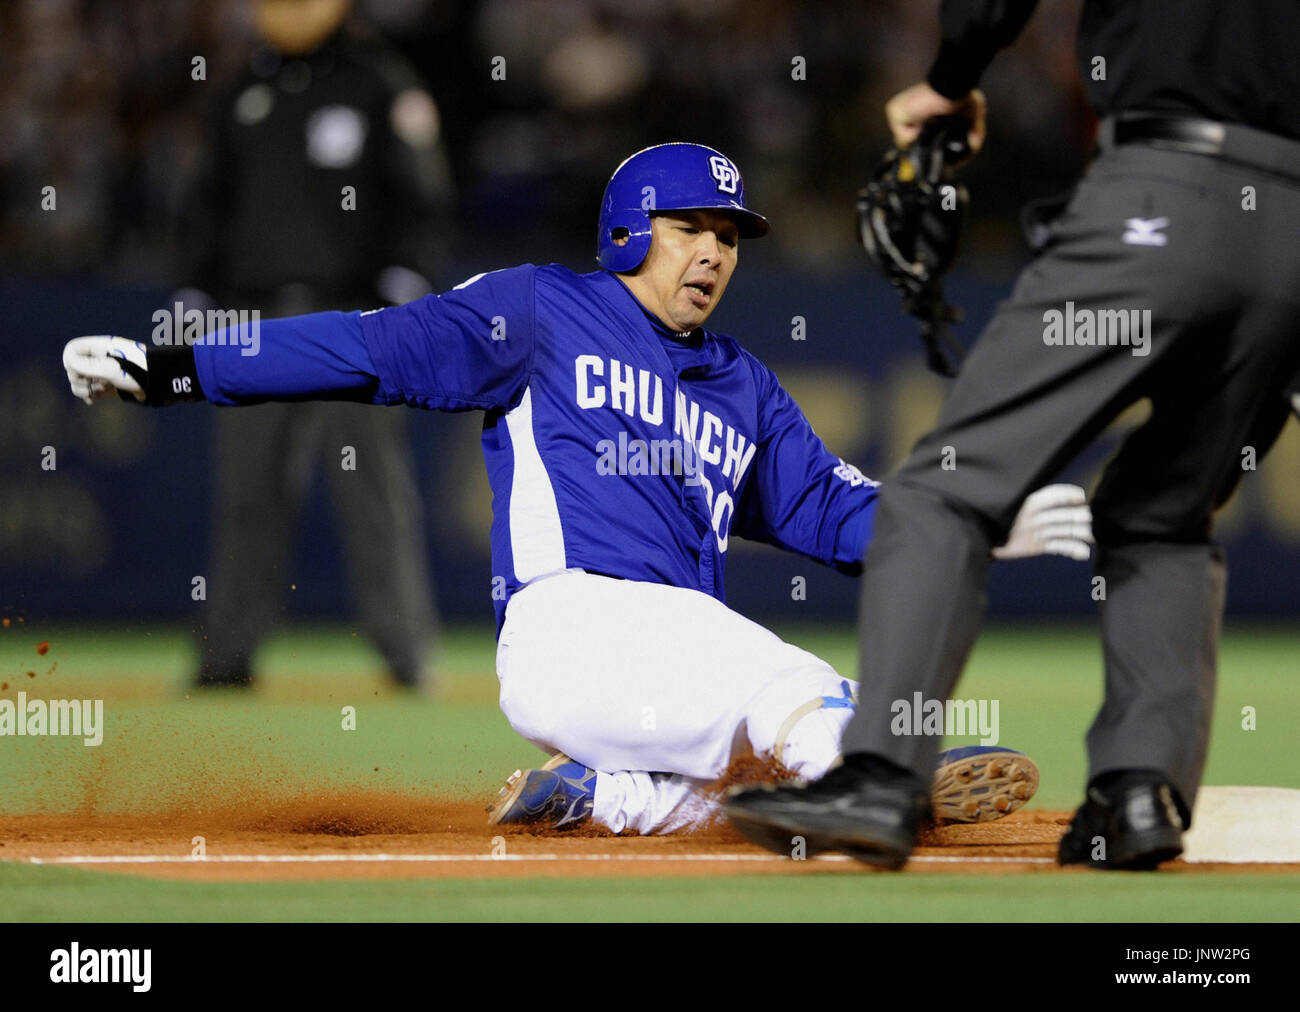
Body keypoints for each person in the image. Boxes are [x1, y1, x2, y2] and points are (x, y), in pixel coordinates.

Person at [63, 143, 1091, 835]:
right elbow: (360, 347)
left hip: (661, 665)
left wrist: (965, 522)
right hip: (572, 627)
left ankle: (611, 799)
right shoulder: (540, 312)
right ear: (631, 228)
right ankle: (876, 759)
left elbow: (834, 510)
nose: (713, 253)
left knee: (745, 781)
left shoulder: (743, 386)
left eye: (729, 237)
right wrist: (180, 365)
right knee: (785, 684)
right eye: (691, 226)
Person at [726, 0, 1300, 868]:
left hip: (1167, 183)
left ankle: (880, 774)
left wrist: (951, 77)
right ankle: (1136, 796)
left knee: (944, 487)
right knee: (1163, 514)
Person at [179, 0, 454, 689]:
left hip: (352, 318)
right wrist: (194, 284)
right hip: (255, 319)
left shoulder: (378, 81)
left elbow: (421, 193)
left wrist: (406, 278)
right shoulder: (242, 89)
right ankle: (226, 656)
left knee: (373, 491)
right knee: (248, 493)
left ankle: (406, 651)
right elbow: (206, 199)